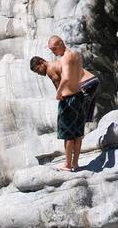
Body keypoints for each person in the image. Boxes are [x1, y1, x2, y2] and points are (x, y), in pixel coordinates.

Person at [30, 36, 99, 171]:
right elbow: (79, 75)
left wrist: (59, 93)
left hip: (68, 101)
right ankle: (75, 163)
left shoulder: (52, 67)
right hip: (79, 97)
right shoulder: (75, 56)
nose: (39, 73)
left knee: (68, 135)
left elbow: (66, 78)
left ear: (41, 63)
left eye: (38, 70)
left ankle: (67, 164)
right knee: (78, 133)